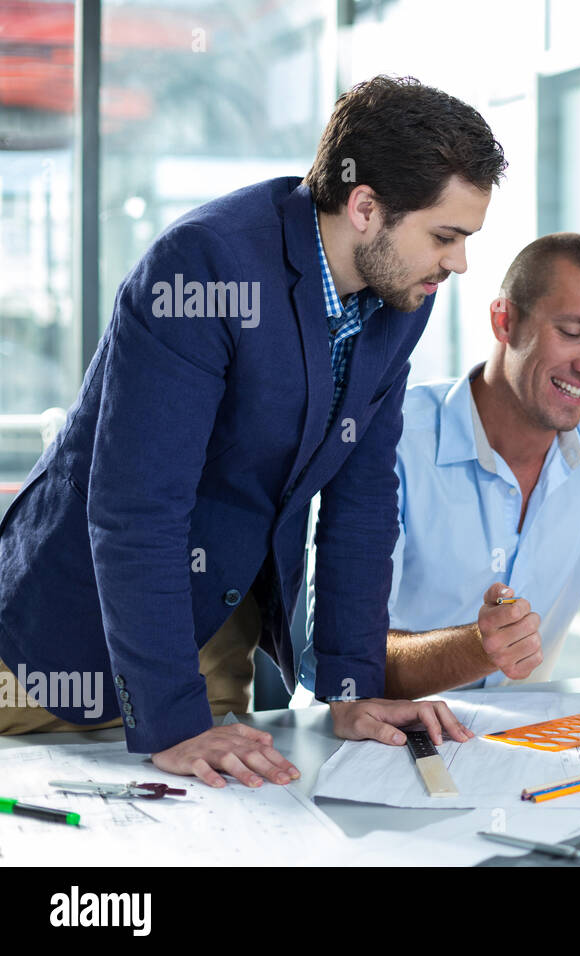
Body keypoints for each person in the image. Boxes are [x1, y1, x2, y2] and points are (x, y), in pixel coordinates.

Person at [0, 76, 507, 786]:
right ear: (366, 208)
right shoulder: (206, 264)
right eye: (444, 236)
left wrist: (353, 689)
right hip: (60, 640)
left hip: (213, 632)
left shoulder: (401, 296)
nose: (458, 263)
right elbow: (137, 507)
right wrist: (171, 720)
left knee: (213, 820)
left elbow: (362, 503)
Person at [294, 233, 580, 700]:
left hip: (505, 739)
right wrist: (475, 648)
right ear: (504, 320)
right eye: (572, 334)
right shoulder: (392, 438)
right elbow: (338, 658)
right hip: (359, 732)